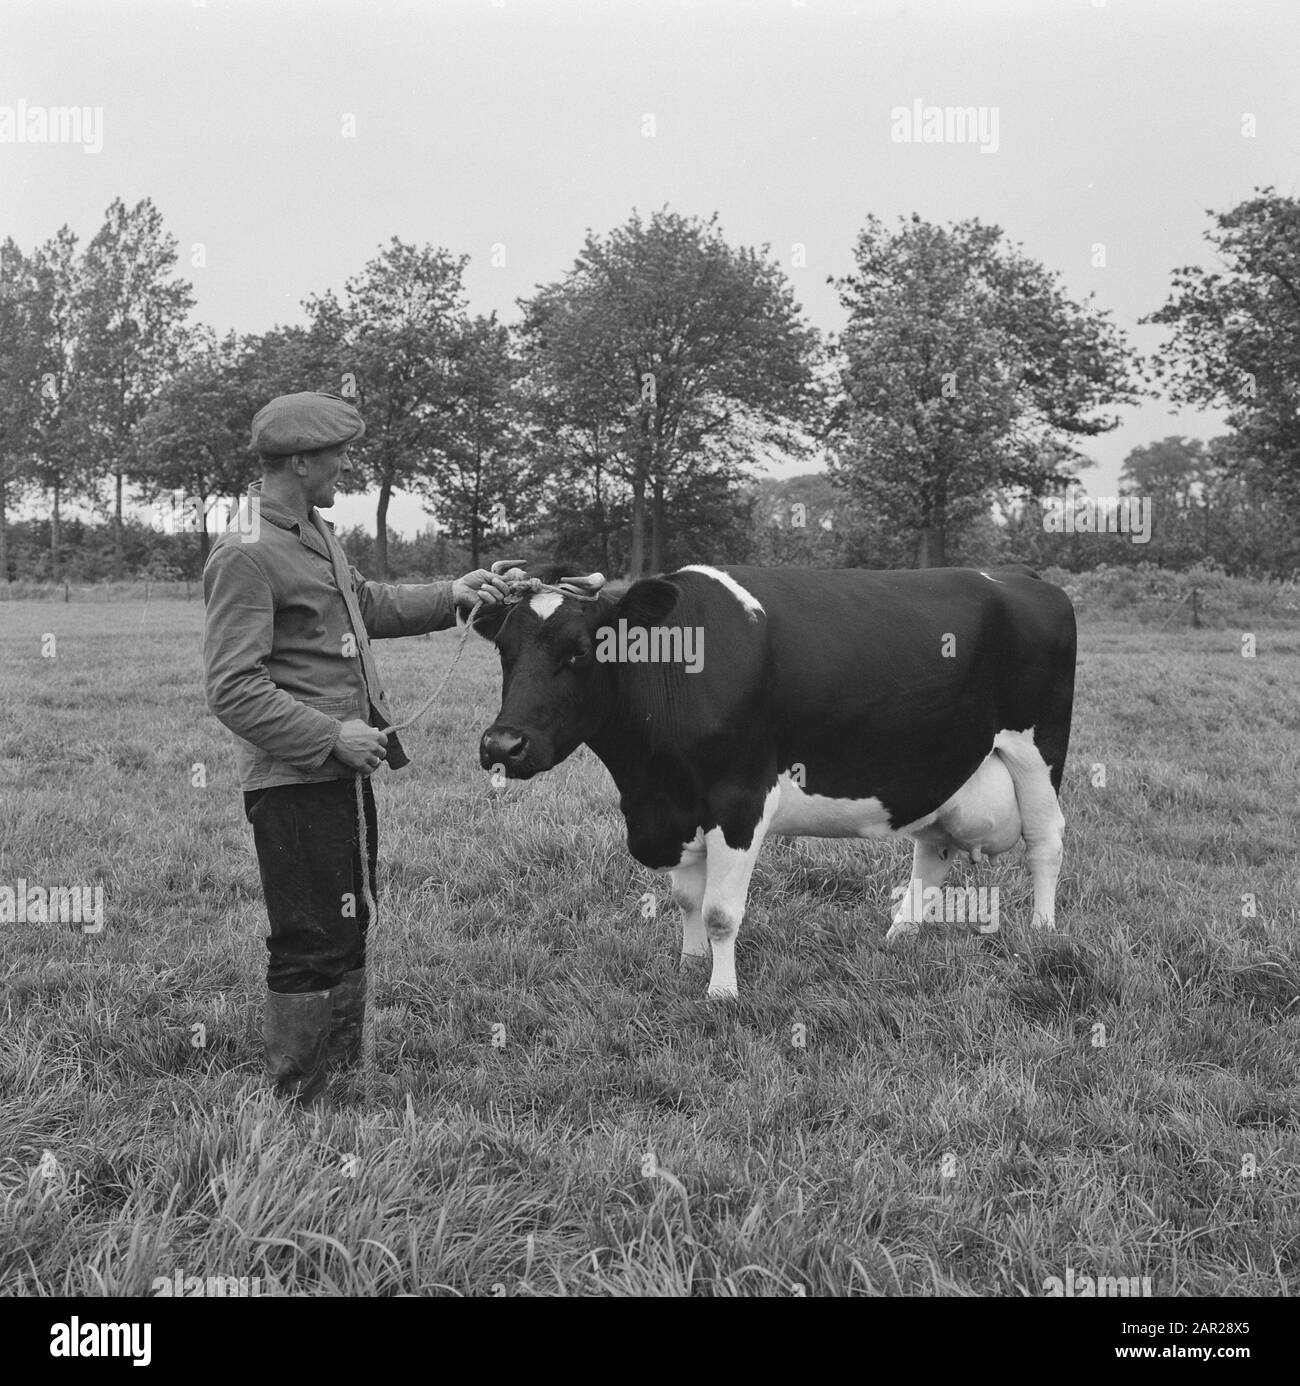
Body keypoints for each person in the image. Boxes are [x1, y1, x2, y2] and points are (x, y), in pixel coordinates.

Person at [202, 390, 508, 1106]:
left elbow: (362, 604)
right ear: (302, 461)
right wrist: (330, 734)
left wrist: (454, 593)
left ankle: (340, 1079)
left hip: (342, 773)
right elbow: (232, 688)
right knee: (309, 936)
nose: (346, 466)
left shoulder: (311, 528)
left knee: (348, 919)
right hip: (296, 777)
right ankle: (301, 1101)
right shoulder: (246, 551)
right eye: (337, 454)